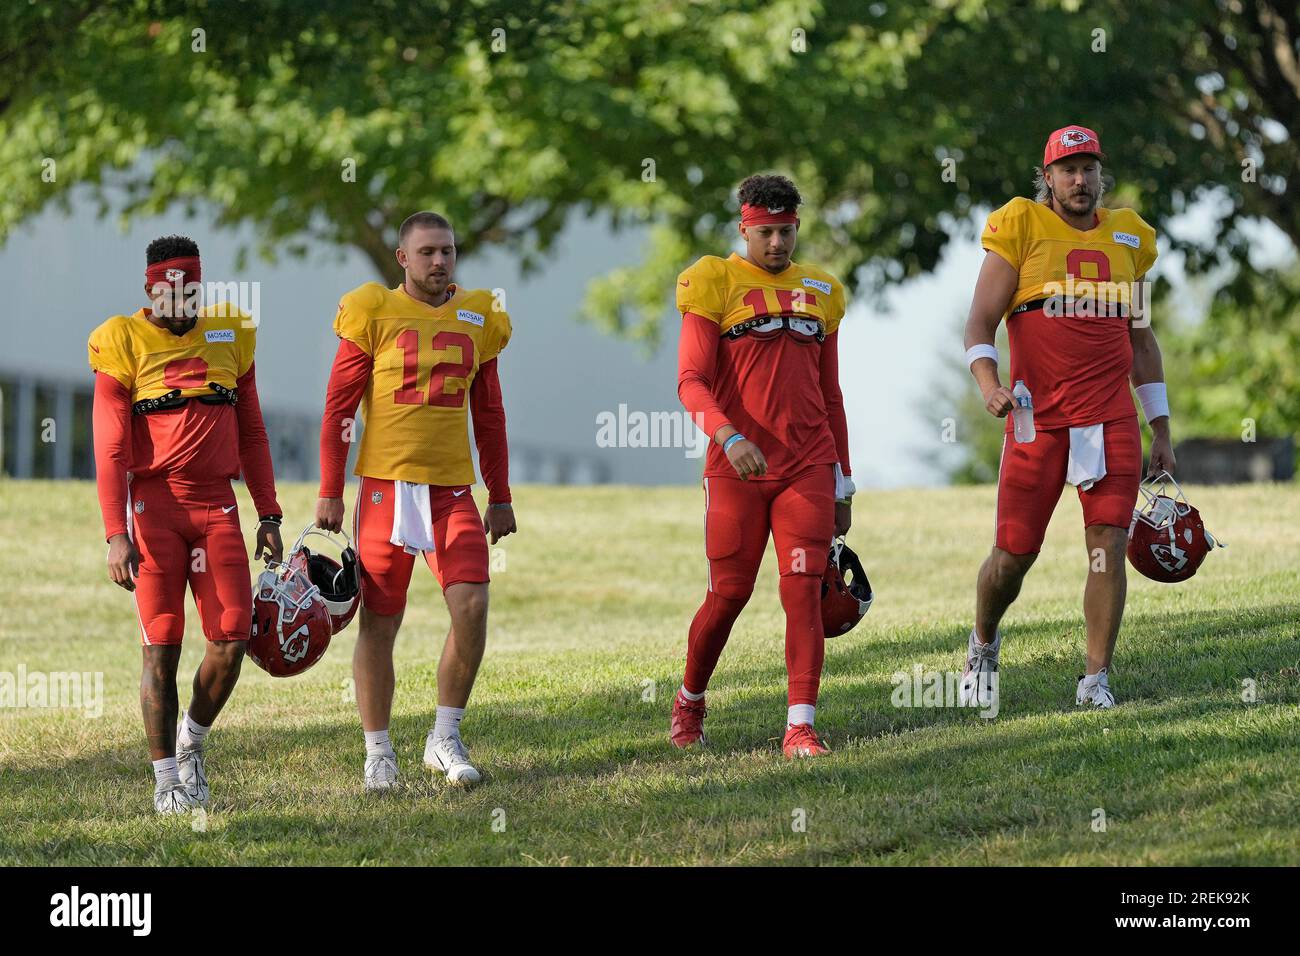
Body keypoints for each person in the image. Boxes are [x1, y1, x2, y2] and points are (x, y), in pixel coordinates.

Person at [960, 126, 1174, 710]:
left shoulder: (1129, 236)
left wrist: (1160, 427)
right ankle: (982, 641)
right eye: (1068, 169)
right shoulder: (1022, 225)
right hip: (1038, 418)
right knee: (1014, 555)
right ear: (1047, 176)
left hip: (1110, 418)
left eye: (1089, 169)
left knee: (1107, 541)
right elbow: (979, 324)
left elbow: (1143, 342)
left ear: (1101, 174)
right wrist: (989, 386)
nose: (1080, 180)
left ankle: (1095, 678)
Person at [316, 211, 515, 790]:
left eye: (448, 251)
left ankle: (444, 735)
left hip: (452, 488)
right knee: (381, 619)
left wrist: (499, 494)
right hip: (386, 487)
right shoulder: (373, 310)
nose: (439, 262)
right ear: (402, 258)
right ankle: (378, 749)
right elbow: (338, 410)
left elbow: (491, 414)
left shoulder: (478, 315)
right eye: (427, 252)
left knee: (472, 607)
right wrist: (330, 489)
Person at [90, 235, 282, 814]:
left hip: (217, 503)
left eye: (189, 287)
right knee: (162, 646)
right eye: (168, 288)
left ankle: (191, 742)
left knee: (232, 638)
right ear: (149, 289)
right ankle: (165, 779)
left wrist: (267, 511)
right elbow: (110, 445)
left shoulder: (231, 333)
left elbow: (251, 431)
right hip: (155, 506)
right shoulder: (122, 339)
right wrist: (114, 531)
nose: (180, 298)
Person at [672, 173, 853, 757]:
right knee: (729, 594)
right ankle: (690, 700)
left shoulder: (821, 289)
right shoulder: (713, 280)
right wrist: (728, 436)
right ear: (744, 228)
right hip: (739, 468)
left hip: (807, 465)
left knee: (802, 589)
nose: (777, 244)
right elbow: (690, 381)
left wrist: (842, 476)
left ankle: (800, 726)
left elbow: (831, 395)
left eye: (787, 231)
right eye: (766, 232)